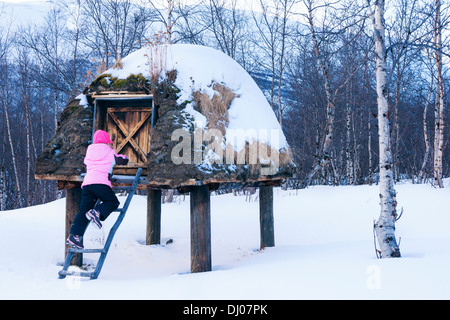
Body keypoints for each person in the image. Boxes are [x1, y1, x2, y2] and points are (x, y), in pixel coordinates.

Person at [66, 130, 129, 249]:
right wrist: (125, 157)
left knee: (84, 210)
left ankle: (75, 236)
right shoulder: (109, 151)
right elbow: (122, 160)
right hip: (101, 183)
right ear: (107, 142)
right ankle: (97, 212)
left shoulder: (89, 152)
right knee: (112, 202)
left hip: (87, 184)